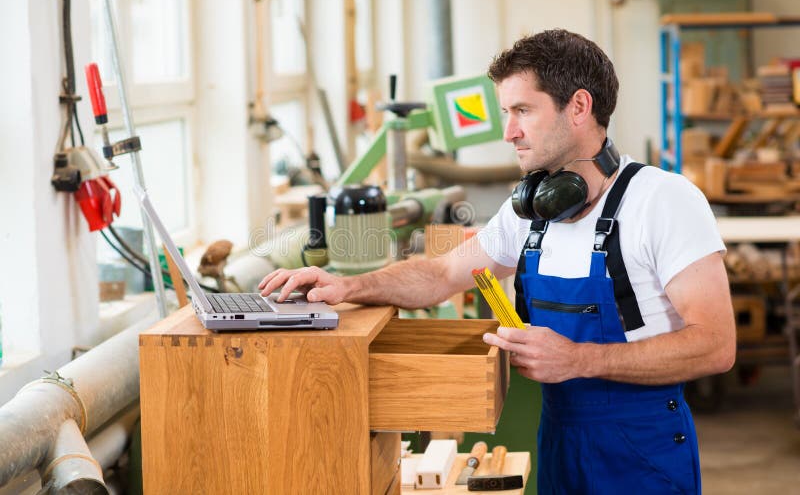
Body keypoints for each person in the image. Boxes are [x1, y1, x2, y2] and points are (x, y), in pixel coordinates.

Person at [259, 29, 735, 494]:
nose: (509, 132)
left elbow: (716, 345)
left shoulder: (663, 201)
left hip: (641, 453)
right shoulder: (531, 210)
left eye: (523, 111)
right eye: (507, 112)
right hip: (559, 442)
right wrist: (347, 286)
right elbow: (442, 273)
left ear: (579, 107)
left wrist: (578, 359)